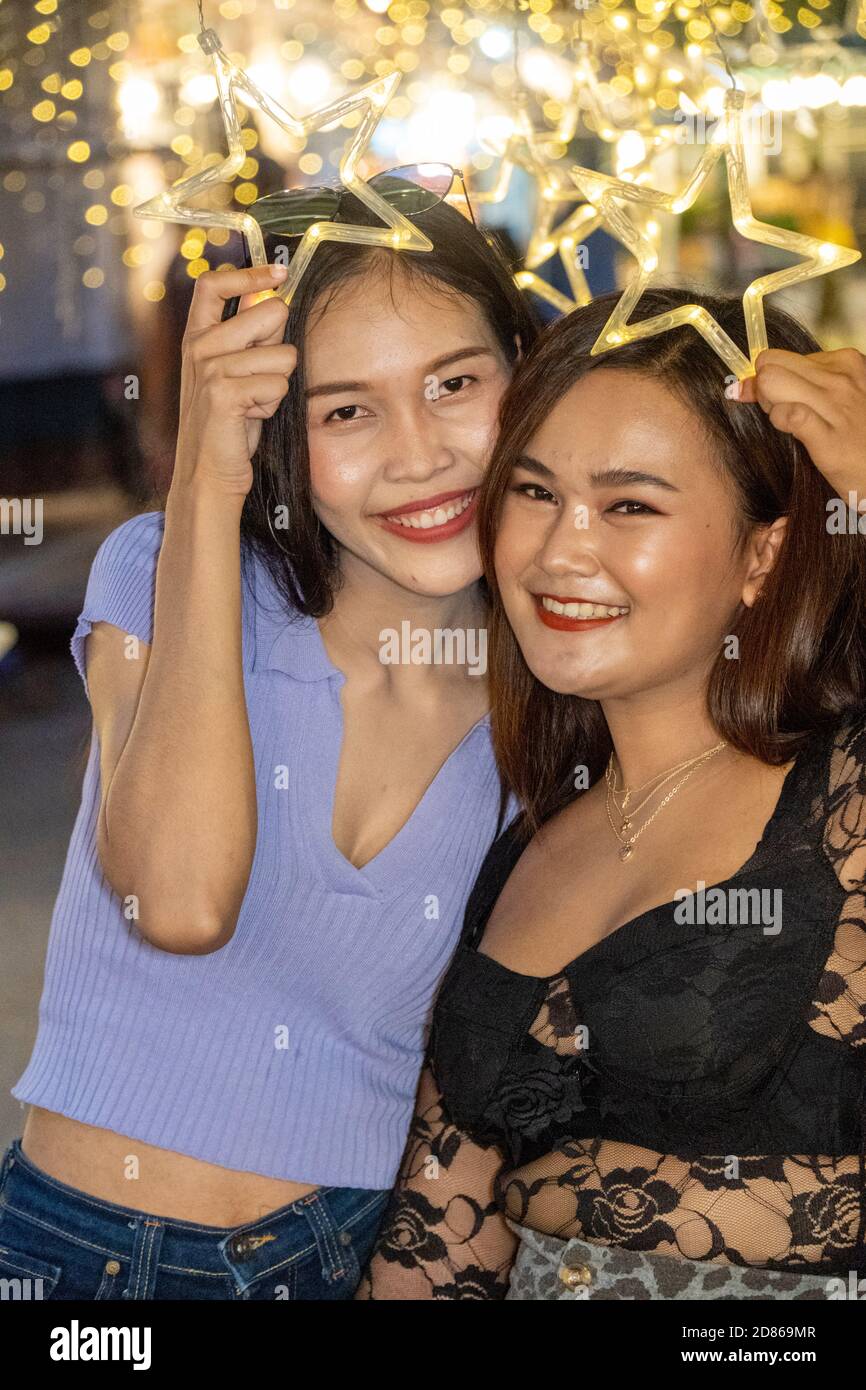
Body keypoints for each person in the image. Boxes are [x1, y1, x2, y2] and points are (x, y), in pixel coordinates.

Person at [2, 197, 537, 1300]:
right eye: (347, 412)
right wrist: (206, 479)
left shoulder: (549, 686)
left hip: (346, 1255)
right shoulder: (164, 571)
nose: (419, 456)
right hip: (82, 1259)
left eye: (453, 383)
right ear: (280, 425)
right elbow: (181, 900)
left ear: (523, 374)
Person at [358, 287, 866, 1300]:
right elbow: (433, 1242)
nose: (558, 551)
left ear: (760, 552)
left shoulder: (839, 798)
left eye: (628, 504)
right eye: (535, 492)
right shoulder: (524, 843)